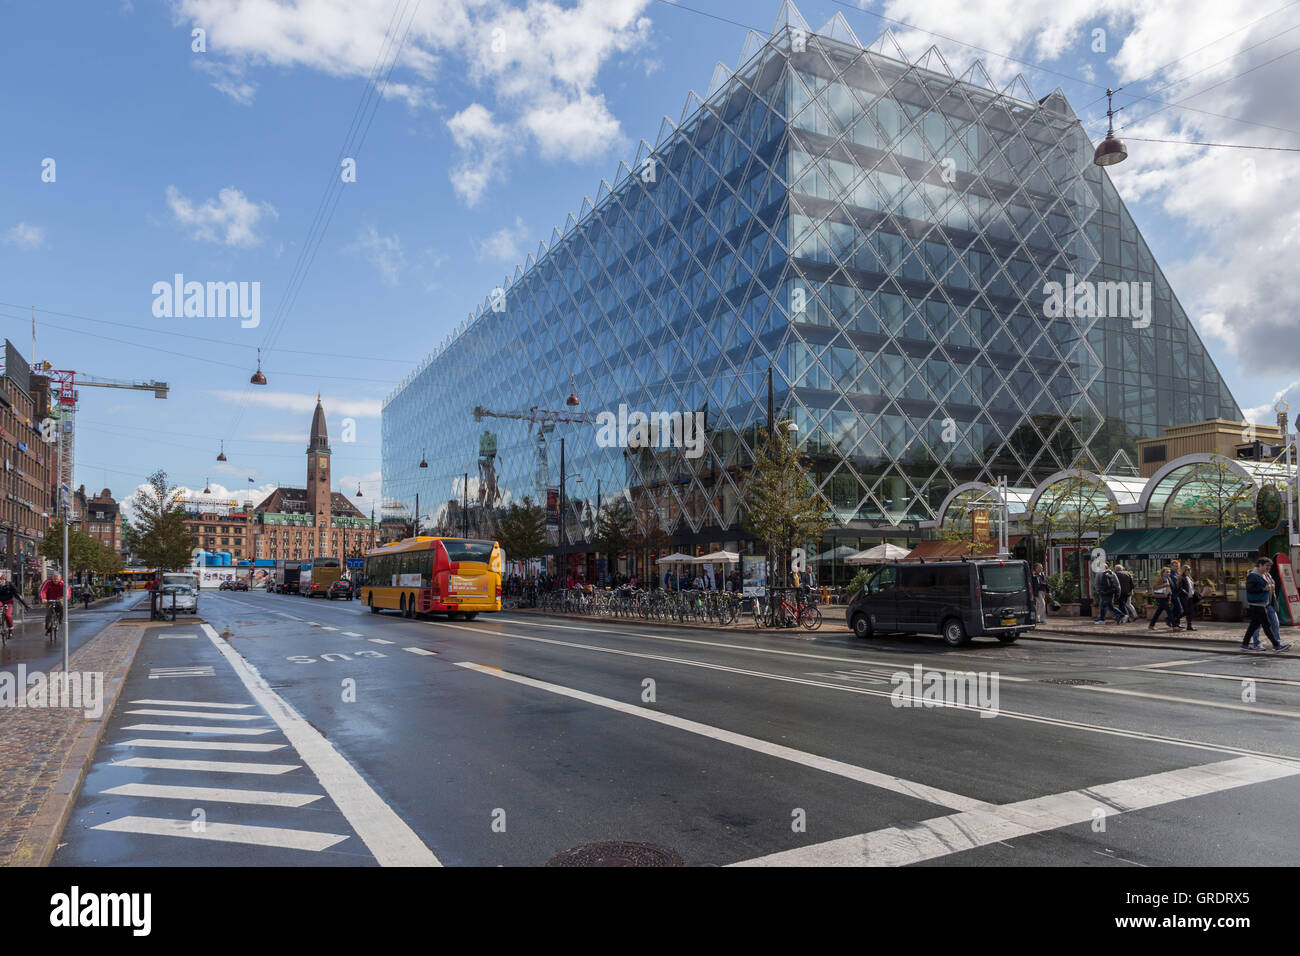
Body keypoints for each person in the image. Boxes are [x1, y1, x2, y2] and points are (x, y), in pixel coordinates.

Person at [1242, 558, 1291, 652]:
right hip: (1257, 604)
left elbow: (1271, 585)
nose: (1268, 567)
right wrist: (1264, 588)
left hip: (1267, 603)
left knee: (1254, 625)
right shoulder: (1253, 575)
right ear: (1260, 565)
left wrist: (1271, 587)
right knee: (1266, 625)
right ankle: (1276, 645)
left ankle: (1245, 644)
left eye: (1270, 566)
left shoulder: (1266, 574)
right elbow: (1250, 589)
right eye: (1266, 565)